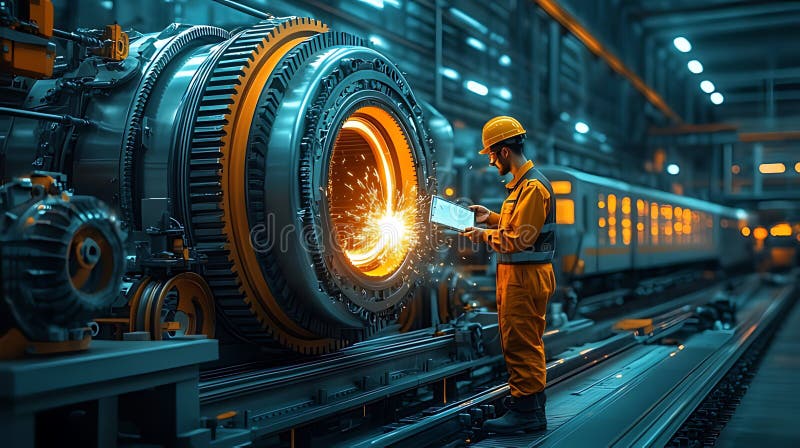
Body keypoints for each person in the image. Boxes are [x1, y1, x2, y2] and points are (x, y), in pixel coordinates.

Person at [462, 116, 556, 433]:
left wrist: (481, 235)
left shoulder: (532, 187)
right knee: (519, 340)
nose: (489, 160)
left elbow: (520, 240)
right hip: (519, 275)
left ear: (503, 151)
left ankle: (527, 413)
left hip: (525, 276)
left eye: (490, 153)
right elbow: (519, 225)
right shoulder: (522, 187)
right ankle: (529, 405)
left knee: (522, 343)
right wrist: (491, 218)